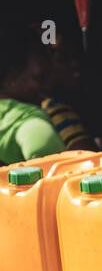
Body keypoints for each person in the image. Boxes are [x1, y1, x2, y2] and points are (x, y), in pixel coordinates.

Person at [0, 22, 65, 165]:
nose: (45, 86)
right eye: (38, 77)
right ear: (12, 77)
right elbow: (56, 168)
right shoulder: (28, 122)